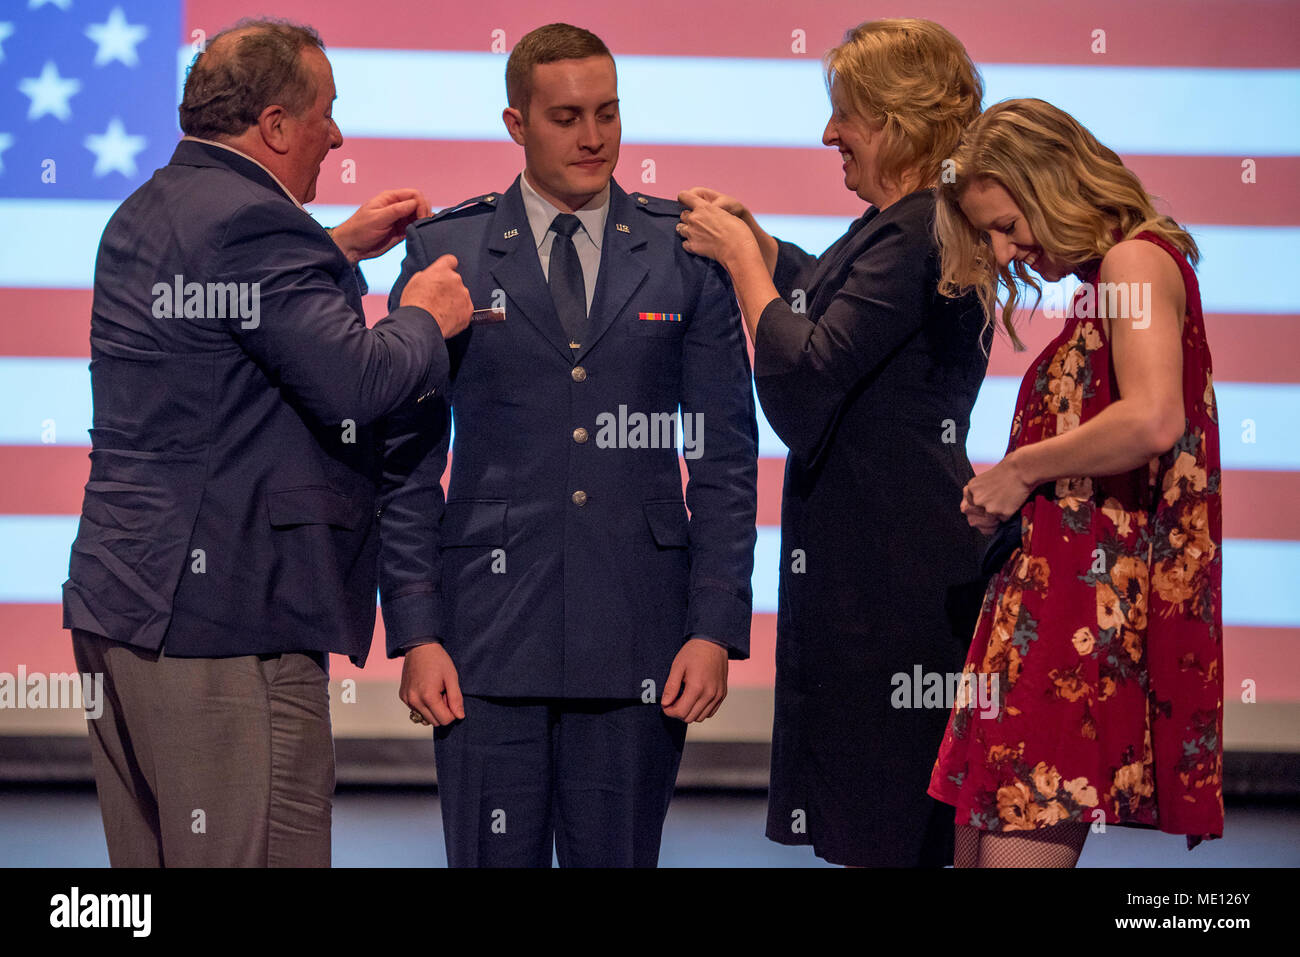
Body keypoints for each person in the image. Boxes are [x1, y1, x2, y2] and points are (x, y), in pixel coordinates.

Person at [62, 19, 473, 867]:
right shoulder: (256, 224)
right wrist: (425, 318)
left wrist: (332, 249)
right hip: (222, 625)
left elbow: (222, 326)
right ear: (277, 125)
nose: (338, 134)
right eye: (326, 112)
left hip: (122, 605)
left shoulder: (146, 210)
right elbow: (357, 380)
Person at [381, 22, 758, 867]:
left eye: (608, 112)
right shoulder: (448, 251)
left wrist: (714, 624)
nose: (593, 137)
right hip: (482, 640)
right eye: (566, 117)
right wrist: (415, 630)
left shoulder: (686, 253)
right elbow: (406, 460)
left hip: (640, 636)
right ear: (516, 123)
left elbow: (725, 457)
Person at [675, 18, 988, 866]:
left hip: (895, 585)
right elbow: (840, 303)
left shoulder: (922, 223)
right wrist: (770, 250)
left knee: (891, 827)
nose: (828, 134)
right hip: (885, 577)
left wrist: (743, 262)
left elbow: (808, 383)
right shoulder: (906, 224)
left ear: (895, 120)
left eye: (845, 113)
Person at [927, 97, 1224, 867]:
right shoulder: (1105, 279)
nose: (1004, 252)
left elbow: (1154, 418)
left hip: (1079, 613)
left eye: (1008, 225)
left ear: (1053, 182)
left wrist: (1021, 468)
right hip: (1049, 605)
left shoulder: (1134, 259)